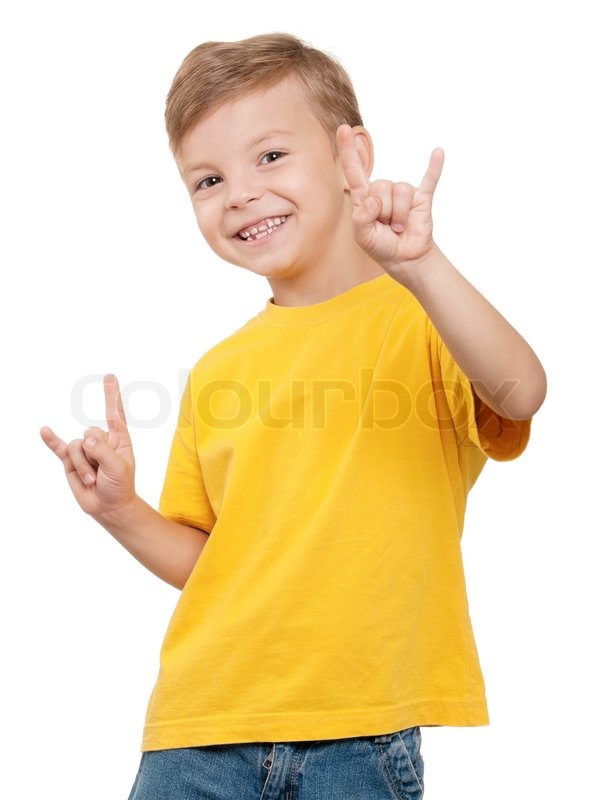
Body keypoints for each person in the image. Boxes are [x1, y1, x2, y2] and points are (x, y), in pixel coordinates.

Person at [40, 32, 546, 800]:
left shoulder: (425, 317)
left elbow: (522, 392)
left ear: (353, 156)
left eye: (270, 157)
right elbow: (214, 562)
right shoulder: (218, 373)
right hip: (200, 731)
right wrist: (121, 512)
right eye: (207, 179)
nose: (238, 192)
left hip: (362, 739)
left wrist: (422, 267)